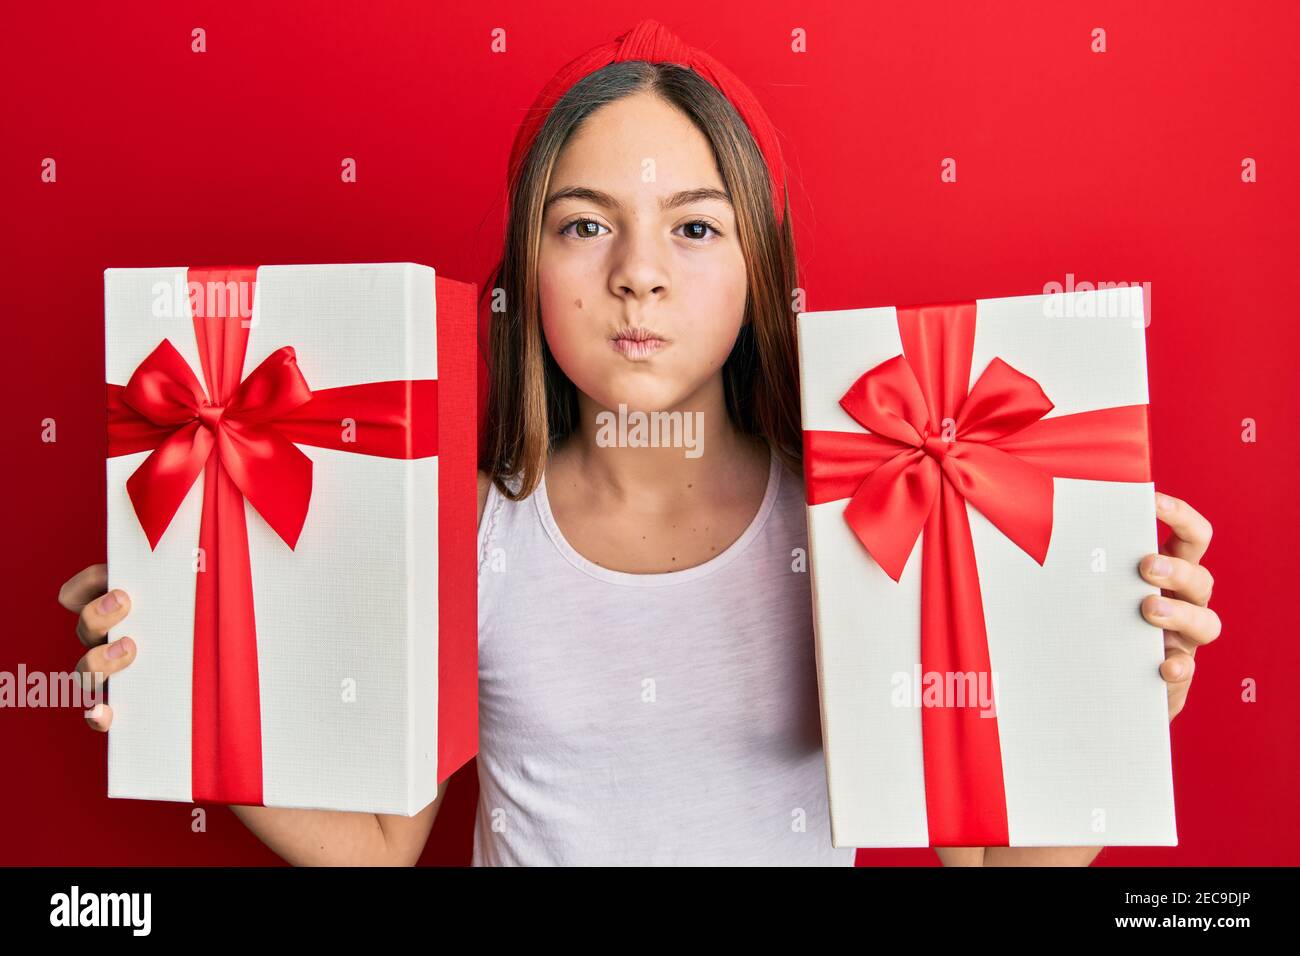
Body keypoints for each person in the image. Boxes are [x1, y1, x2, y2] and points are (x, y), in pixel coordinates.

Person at [59, 19, 1220, 866]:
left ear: (760, 266)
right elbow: (374, 846)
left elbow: (987, 867)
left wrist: (1110, 693)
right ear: (527, 270)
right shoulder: (461, 527)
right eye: (583, 224)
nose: (638, 272)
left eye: (694, 225)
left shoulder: (875, 514)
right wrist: (199, 700)